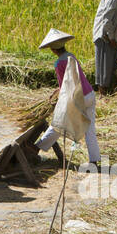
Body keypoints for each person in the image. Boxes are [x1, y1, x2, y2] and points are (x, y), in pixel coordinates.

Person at [33, 28, 100, 169]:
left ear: (52, 50)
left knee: (59, 123)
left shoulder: (59, 64)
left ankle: (36, 149)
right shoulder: (71, 56)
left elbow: (64, 86)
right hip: (89, 94)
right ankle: (93, 161)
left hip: (77, 98)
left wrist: (56, 97)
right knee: (90, 129)